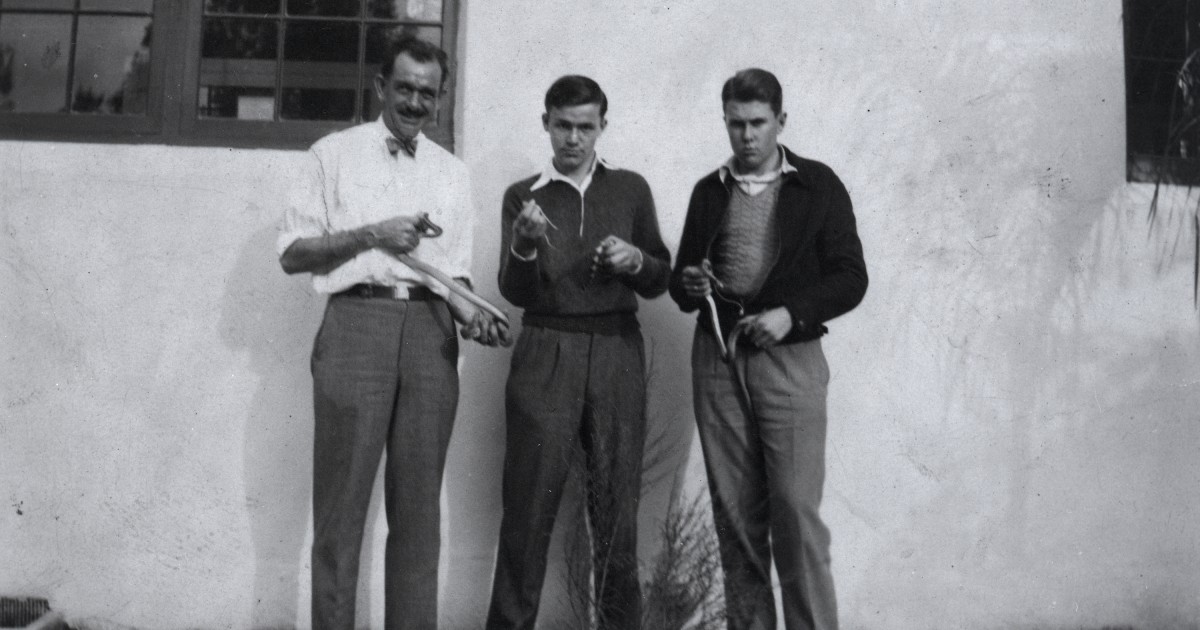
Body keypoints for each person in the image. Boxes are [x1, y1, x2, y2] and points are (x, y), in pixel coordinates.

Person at [277, 36, 505, 630]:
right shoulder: (332, 154)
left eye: (426, 93)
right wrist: (373, 233)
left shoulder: (452, 173)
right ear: (380, 87)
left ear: (439, 99)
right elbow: (294, 254)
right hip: (356, 325)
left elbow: (453, 275)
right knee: (341, 511)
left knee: (418, 516)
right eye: (403, 88)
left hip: (430, 334)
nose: (413, 101)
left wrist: (471, 315)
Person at [668, 68, 867, 630]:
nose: (747, 136)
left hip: (790, 362)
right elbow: (682, 285)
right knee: (735, 519)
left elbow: (852, 278)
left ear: (781, 121)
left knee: (797, 517)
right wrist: (690, 283)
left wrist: (791, 314)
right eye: (736, 123)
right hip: (718, 361)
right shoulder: (710, 190)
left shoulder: (818, 185)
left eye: (758, 123)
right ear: (725, 122)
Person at [485, 75, 672, 630]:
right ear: (546, 123)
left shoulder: (631, 189)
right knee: (528, 508)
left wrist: (635, 261)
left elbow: (660, 278)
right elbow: (515, 291)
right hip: (547, 348)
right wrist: (522, 242)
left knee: (616, 510)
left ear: (602, 128)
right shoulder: (524, 194)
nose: (573, 138)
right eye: (562, 125)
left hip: (616, 349)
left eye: (585, 127)